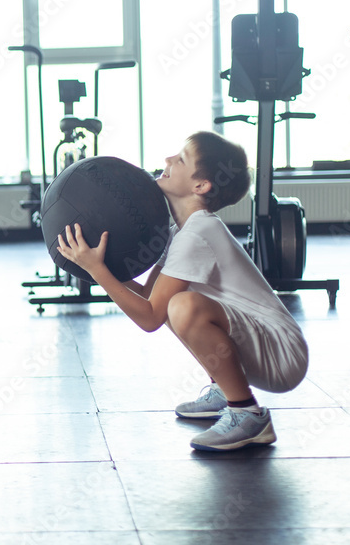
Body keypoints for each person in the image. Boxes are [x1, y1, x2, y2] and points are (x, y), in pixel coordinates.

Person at [56, 131, 308, 452]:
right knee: (172, 304)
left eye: (181, 159)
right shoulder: (181, 230)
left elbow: (149, 318)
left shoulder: (198, 233)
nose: (168, 161)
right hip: (264, 348)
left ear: (201, 186)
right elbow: (150, 299)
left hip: (283, 354)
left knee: (182, 307)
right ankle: (226, 388)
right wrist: (99, 266)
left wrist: (98, 271)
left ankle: (246, 413)